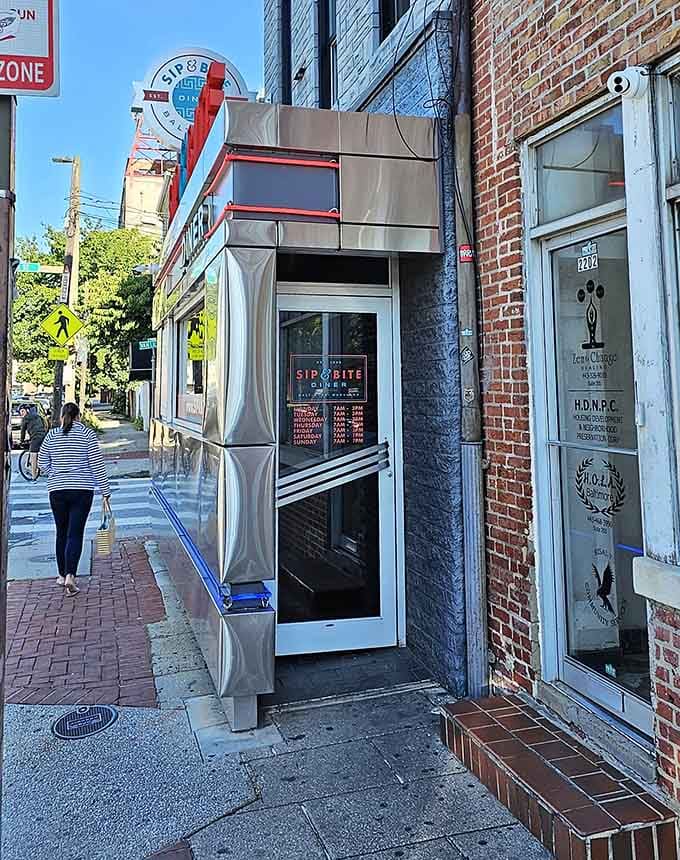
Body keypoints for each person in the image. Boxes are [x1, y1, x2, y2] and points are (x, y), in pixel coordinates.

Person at [38, 403, 111, 596]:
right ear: (78, 416)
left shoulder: (52, 436)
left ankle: (61, 576)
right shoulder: (87, 435)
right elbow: (96, 464)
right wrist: (105, 490)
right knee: (75, 533)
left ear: (62, 416)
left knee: (61, 532)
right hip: (82, 490)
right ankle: (71, 575)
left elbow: (42, 462)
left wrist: (54, 474)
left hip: (57, 490)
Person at [19, 404, 46, 479]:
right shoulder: (38, 416)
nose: (21, 413)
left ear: (27, 411)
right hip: (43, 436)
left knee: (33, 455)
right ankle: (41, 470)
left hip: (36, 437)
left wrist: (21, 441)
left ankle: (34, 477)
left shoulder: (25, 418)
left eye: (22, 411)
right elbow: (45, 425)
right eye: (20, 412)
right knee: (40, 453)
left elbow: (22, 431)